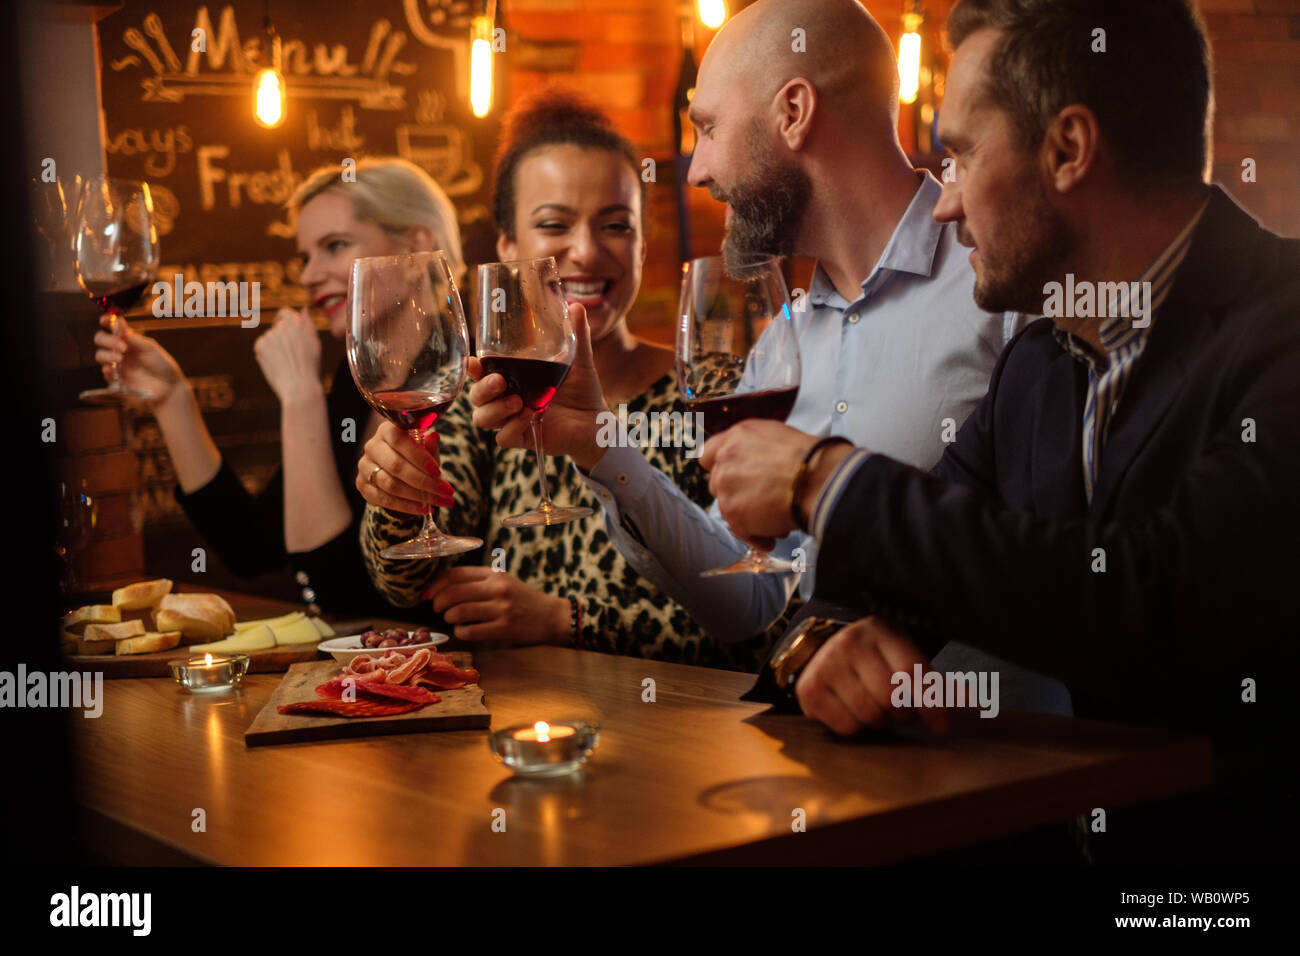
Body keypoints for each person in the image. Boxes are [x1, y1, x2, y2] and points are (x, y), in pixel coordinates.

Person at [699, 0, 1300, 864]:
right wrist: (816, 650)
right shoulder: (1042, 364)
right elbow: (896, 583)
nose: (940, 205)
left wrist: (824, 478)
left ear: (1068, 150)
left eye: (959, 155)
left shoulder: (1283, 328)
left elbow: (1161, 600)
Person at [467, 0, 1068, 711]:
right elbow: (746, 598)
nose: (696, 171)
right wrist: (599, 445)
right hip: (835, 767)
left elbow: (1061, 574)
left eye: (709, 128)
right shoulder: (784, 340)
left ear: (793, 112)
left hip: (994, 771)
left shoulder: (1000, 288)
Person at [355, 89, 748, 666]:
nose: (586, 252)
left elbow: (760, 612)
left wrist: (565, 621)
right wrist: (397, 500)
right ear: (509, 247)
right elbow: (403, 583)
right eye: (554, 224)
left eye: (616, 225)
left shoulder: (714, 387)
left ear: (643, 246)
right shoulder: (480, 396)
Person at [93, 158, 463, 619]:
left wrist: (300, 398)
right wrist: (172, 399)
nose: (308, 275)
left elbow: (345, 599)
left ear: (416, 248)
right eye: (306, 257)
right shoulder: (362, 382)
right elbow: (253, 546)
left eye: (335, 245)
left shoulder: (462, 385)